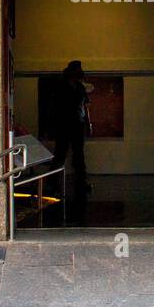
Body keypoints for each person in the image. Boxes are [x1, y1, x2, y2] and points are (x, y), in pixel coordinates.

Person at [51, 60, 91, 222]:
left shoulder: (80, 88)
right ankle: (52, 183)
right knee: (60, 154)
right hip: (64, 125)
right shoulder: (61, 86)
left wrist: (88, 123)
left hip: (77, 125)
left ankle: (81, 183)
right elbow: (55, 108)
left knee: (79, 155)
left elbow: (84, 107)